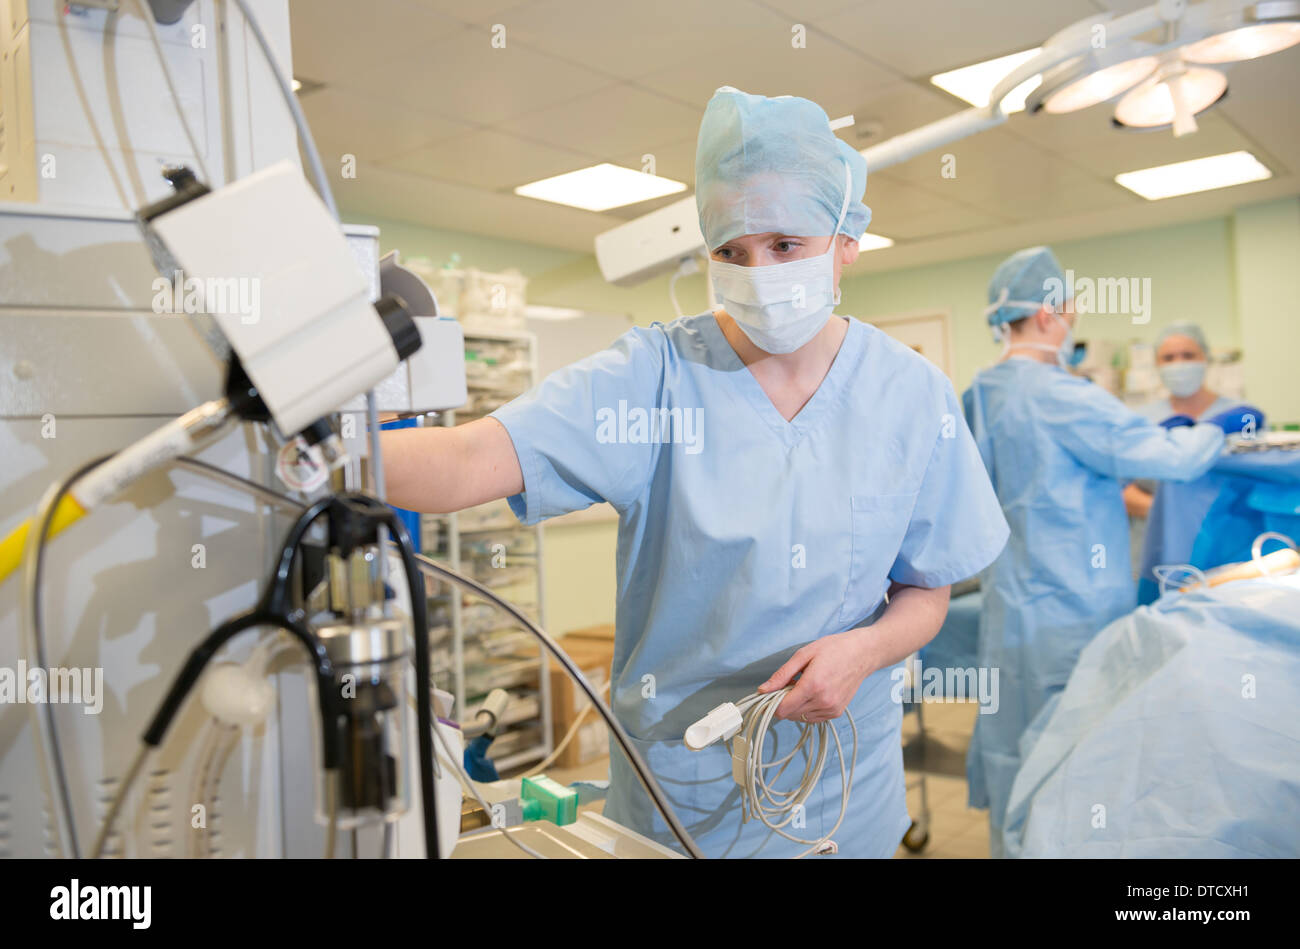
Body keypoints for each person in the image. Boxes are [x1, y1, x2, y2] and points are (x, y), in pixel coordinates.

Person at [380, 87, 1009, 858]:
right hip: (684, 793)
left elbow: (927, 590)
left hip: (845, 787)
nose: (759, 273)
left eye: (785, 245)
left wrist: (863, 651)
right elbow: (470, 456)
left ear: (847, 240)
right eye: (731, 251)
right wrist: (329, 449)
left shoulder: (909, 394)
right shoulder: (652, 378)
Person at [964, 246, 1228, 858]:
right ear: (1053, 314)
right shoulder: (1062, 395)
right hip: (1073, 608)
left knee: (1012, 742)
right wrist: (1227, 430)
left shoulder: (980, 392)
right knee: (1073, 746)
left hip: (1009, 604)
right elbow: (1168, 457)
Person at [1123, 321, 1237, 522]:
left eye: (1188, 355)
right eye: (1168, 358)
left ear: (1206, 358)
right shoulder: (1141, 420)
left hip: (1224, 533)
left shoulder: (1239, 417)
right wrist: (1174, 514)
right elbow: (1121, 489)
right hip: (1157, 537)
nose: (1179, 364)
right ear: (1157, 365)